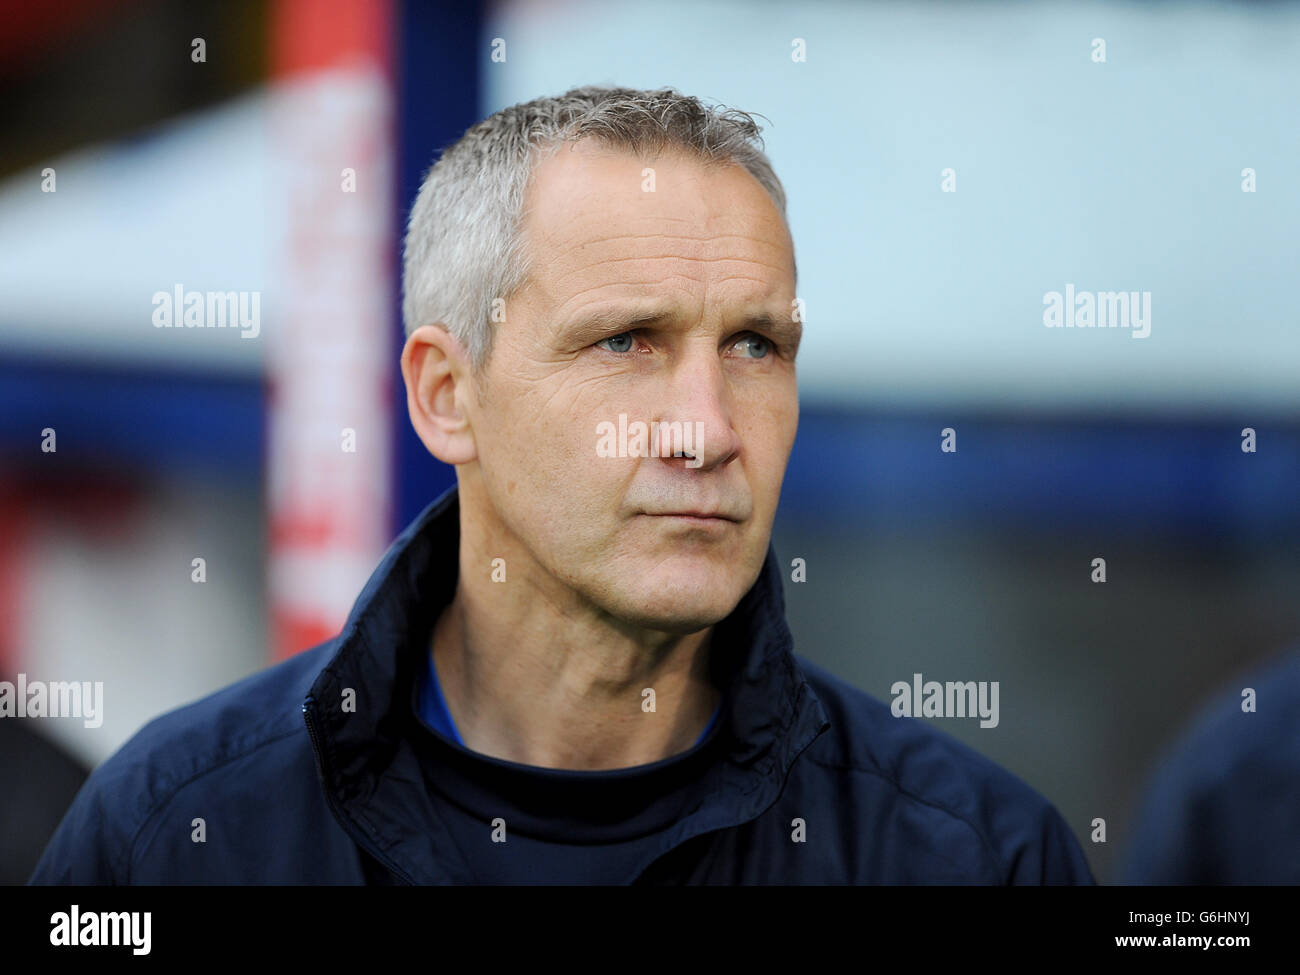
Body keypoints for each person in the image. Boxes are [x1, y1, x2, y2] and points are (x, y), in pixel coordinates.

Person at [30, 86, 1093, 884]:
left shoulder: (969, 856)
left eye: (756, 347)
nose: (706, 430)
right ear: (447, 394)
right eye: (628, 340)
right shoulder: (183, 834)